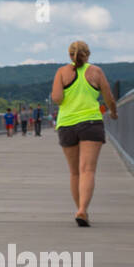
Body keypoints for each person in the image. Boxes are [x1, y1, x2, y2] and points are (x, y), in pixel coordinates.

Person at [51, 40, 118, 227]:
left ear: (69, 55)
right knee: (87, 170)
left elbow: (57, 98)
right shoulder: (96, 72)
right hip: (90, 123)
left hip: (67, 124)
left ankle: (81, 210)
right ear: (87, 55)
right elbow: (108, 97)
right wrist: (113, 112)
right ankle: (82, 209)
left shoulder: (62, 72)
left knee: (74, 172)